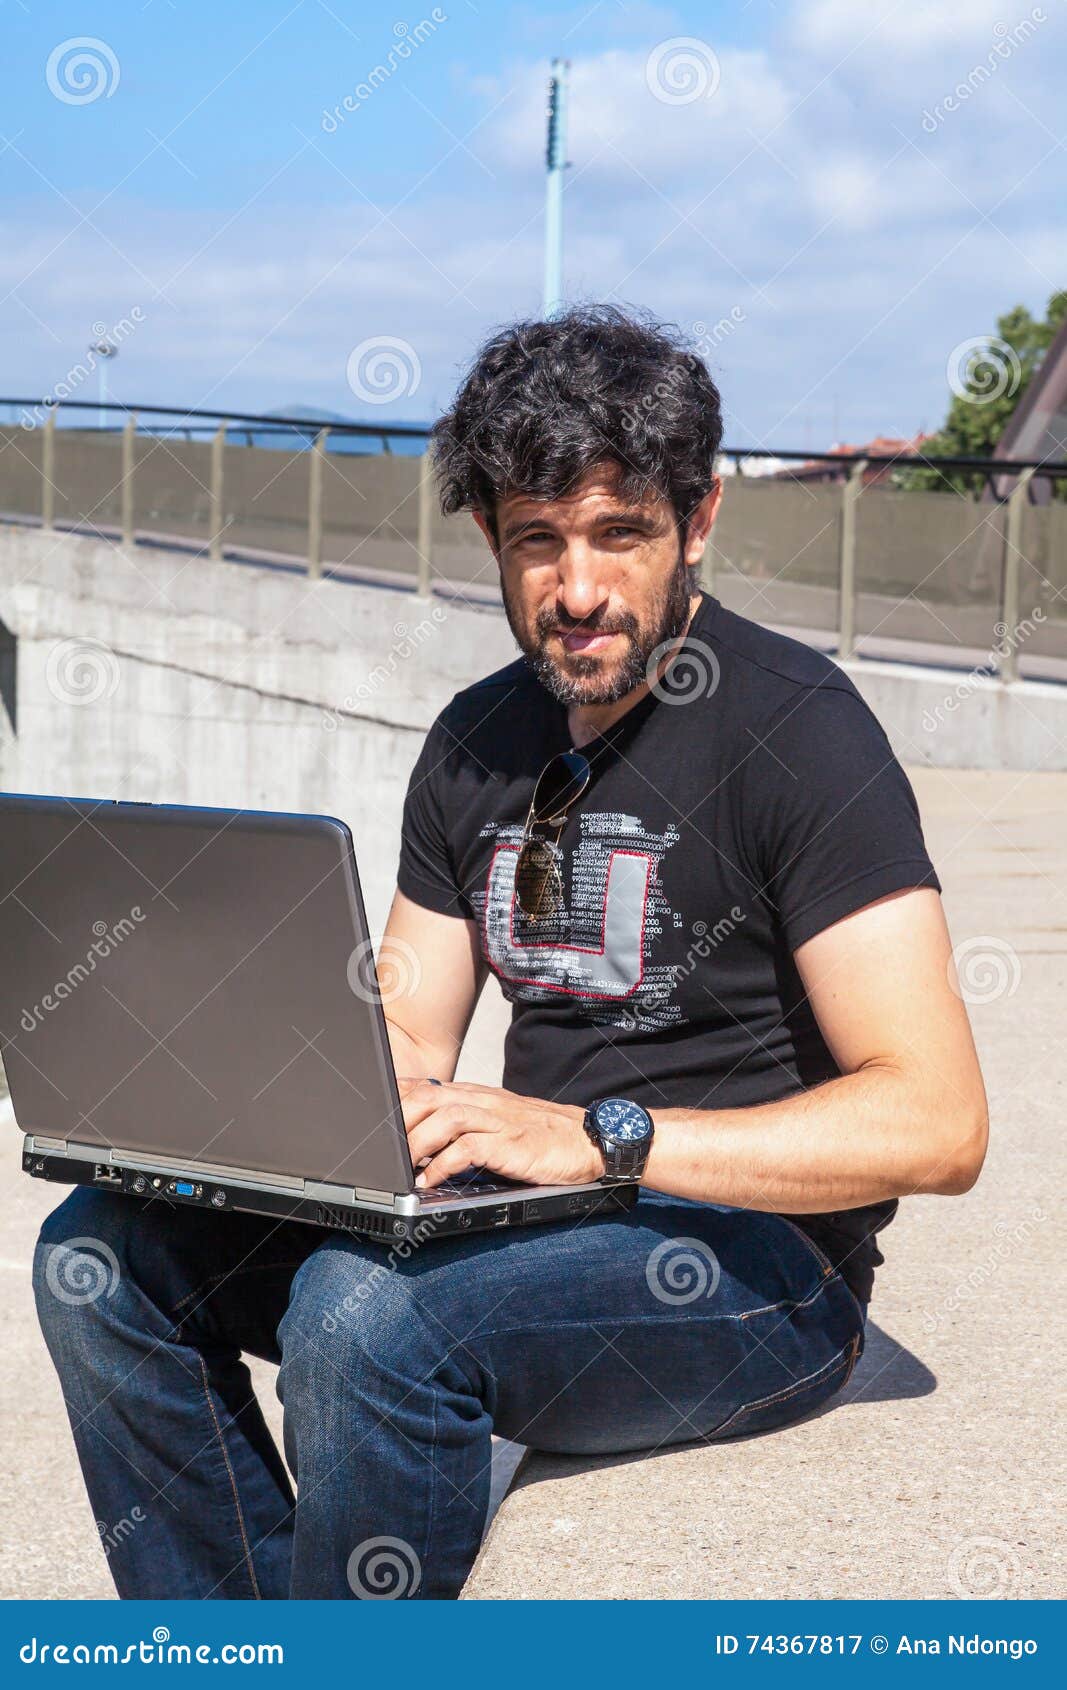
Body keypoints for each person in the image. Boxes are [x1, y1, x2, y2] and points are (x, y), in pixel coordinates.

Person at [34, 305, 987, 1600]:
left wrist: (603, 1136)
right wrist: (243, 1106)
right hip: (526, 1212)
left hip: (760, 1267)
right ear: (488, 531)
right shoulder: (476, 740)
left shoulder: (800, 733)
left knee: (364, 1320)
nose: (578, 589)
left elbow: (937, 1122)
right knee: (99, 1258)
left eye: (620, 534)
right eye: (538, 539)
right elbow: (409, 1038)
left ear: (697, 521)